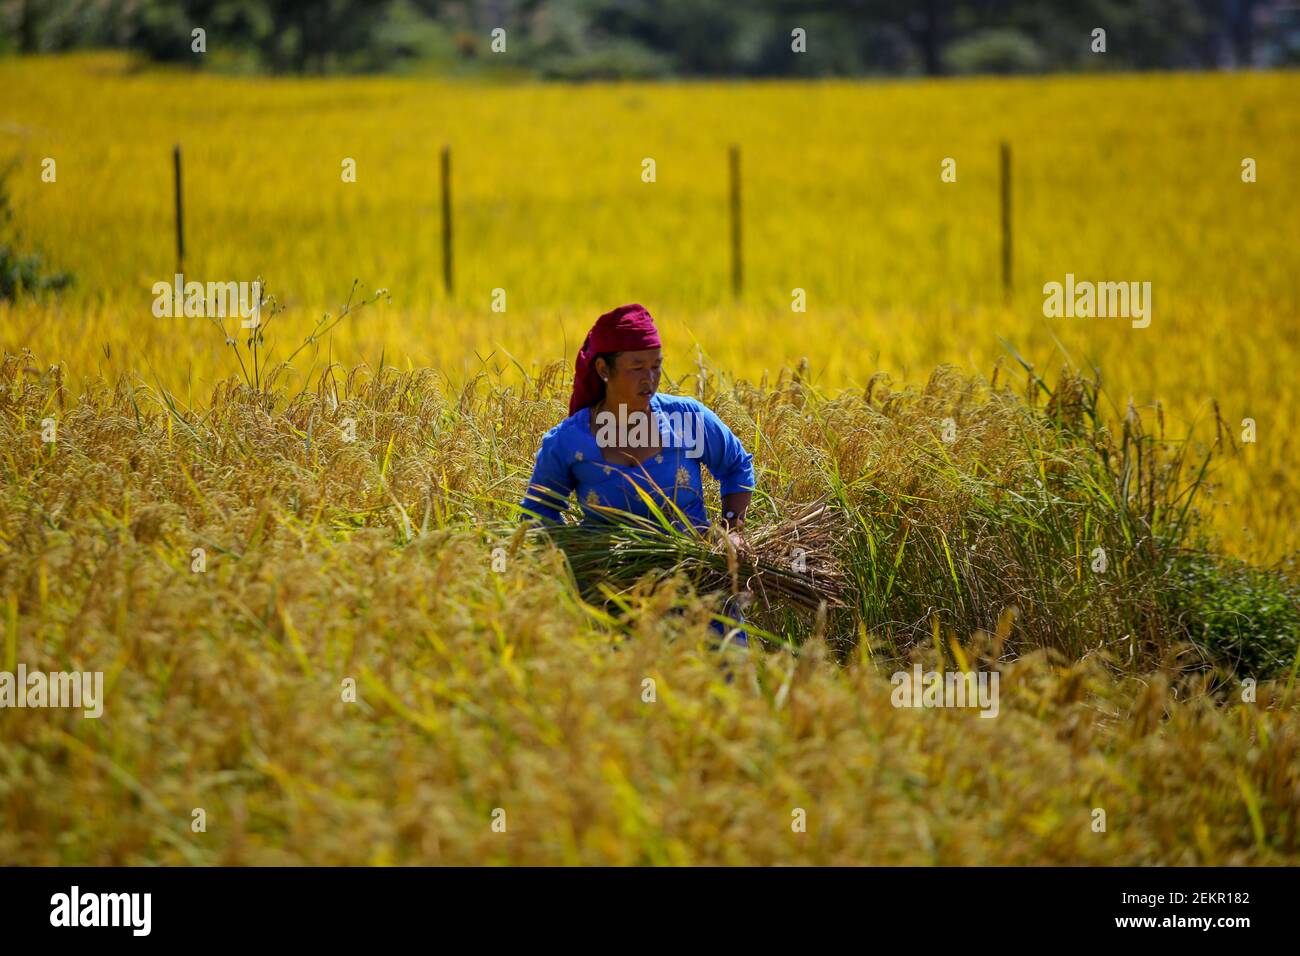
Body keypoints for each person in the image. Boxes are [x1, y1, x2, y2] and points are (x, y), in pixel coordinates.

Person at [519, 303, 756, 648]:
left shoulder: (687, 419)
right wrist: (575, 560)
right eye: (637, 367)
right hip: (616, 605)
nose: (650, 378)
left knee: (720, 694)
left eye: (656, 366)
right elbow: (538, 513)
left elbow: (736, 466)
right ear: (603, 369)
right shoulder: (569, 441)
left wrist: (733, 531)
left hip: (700, 595)